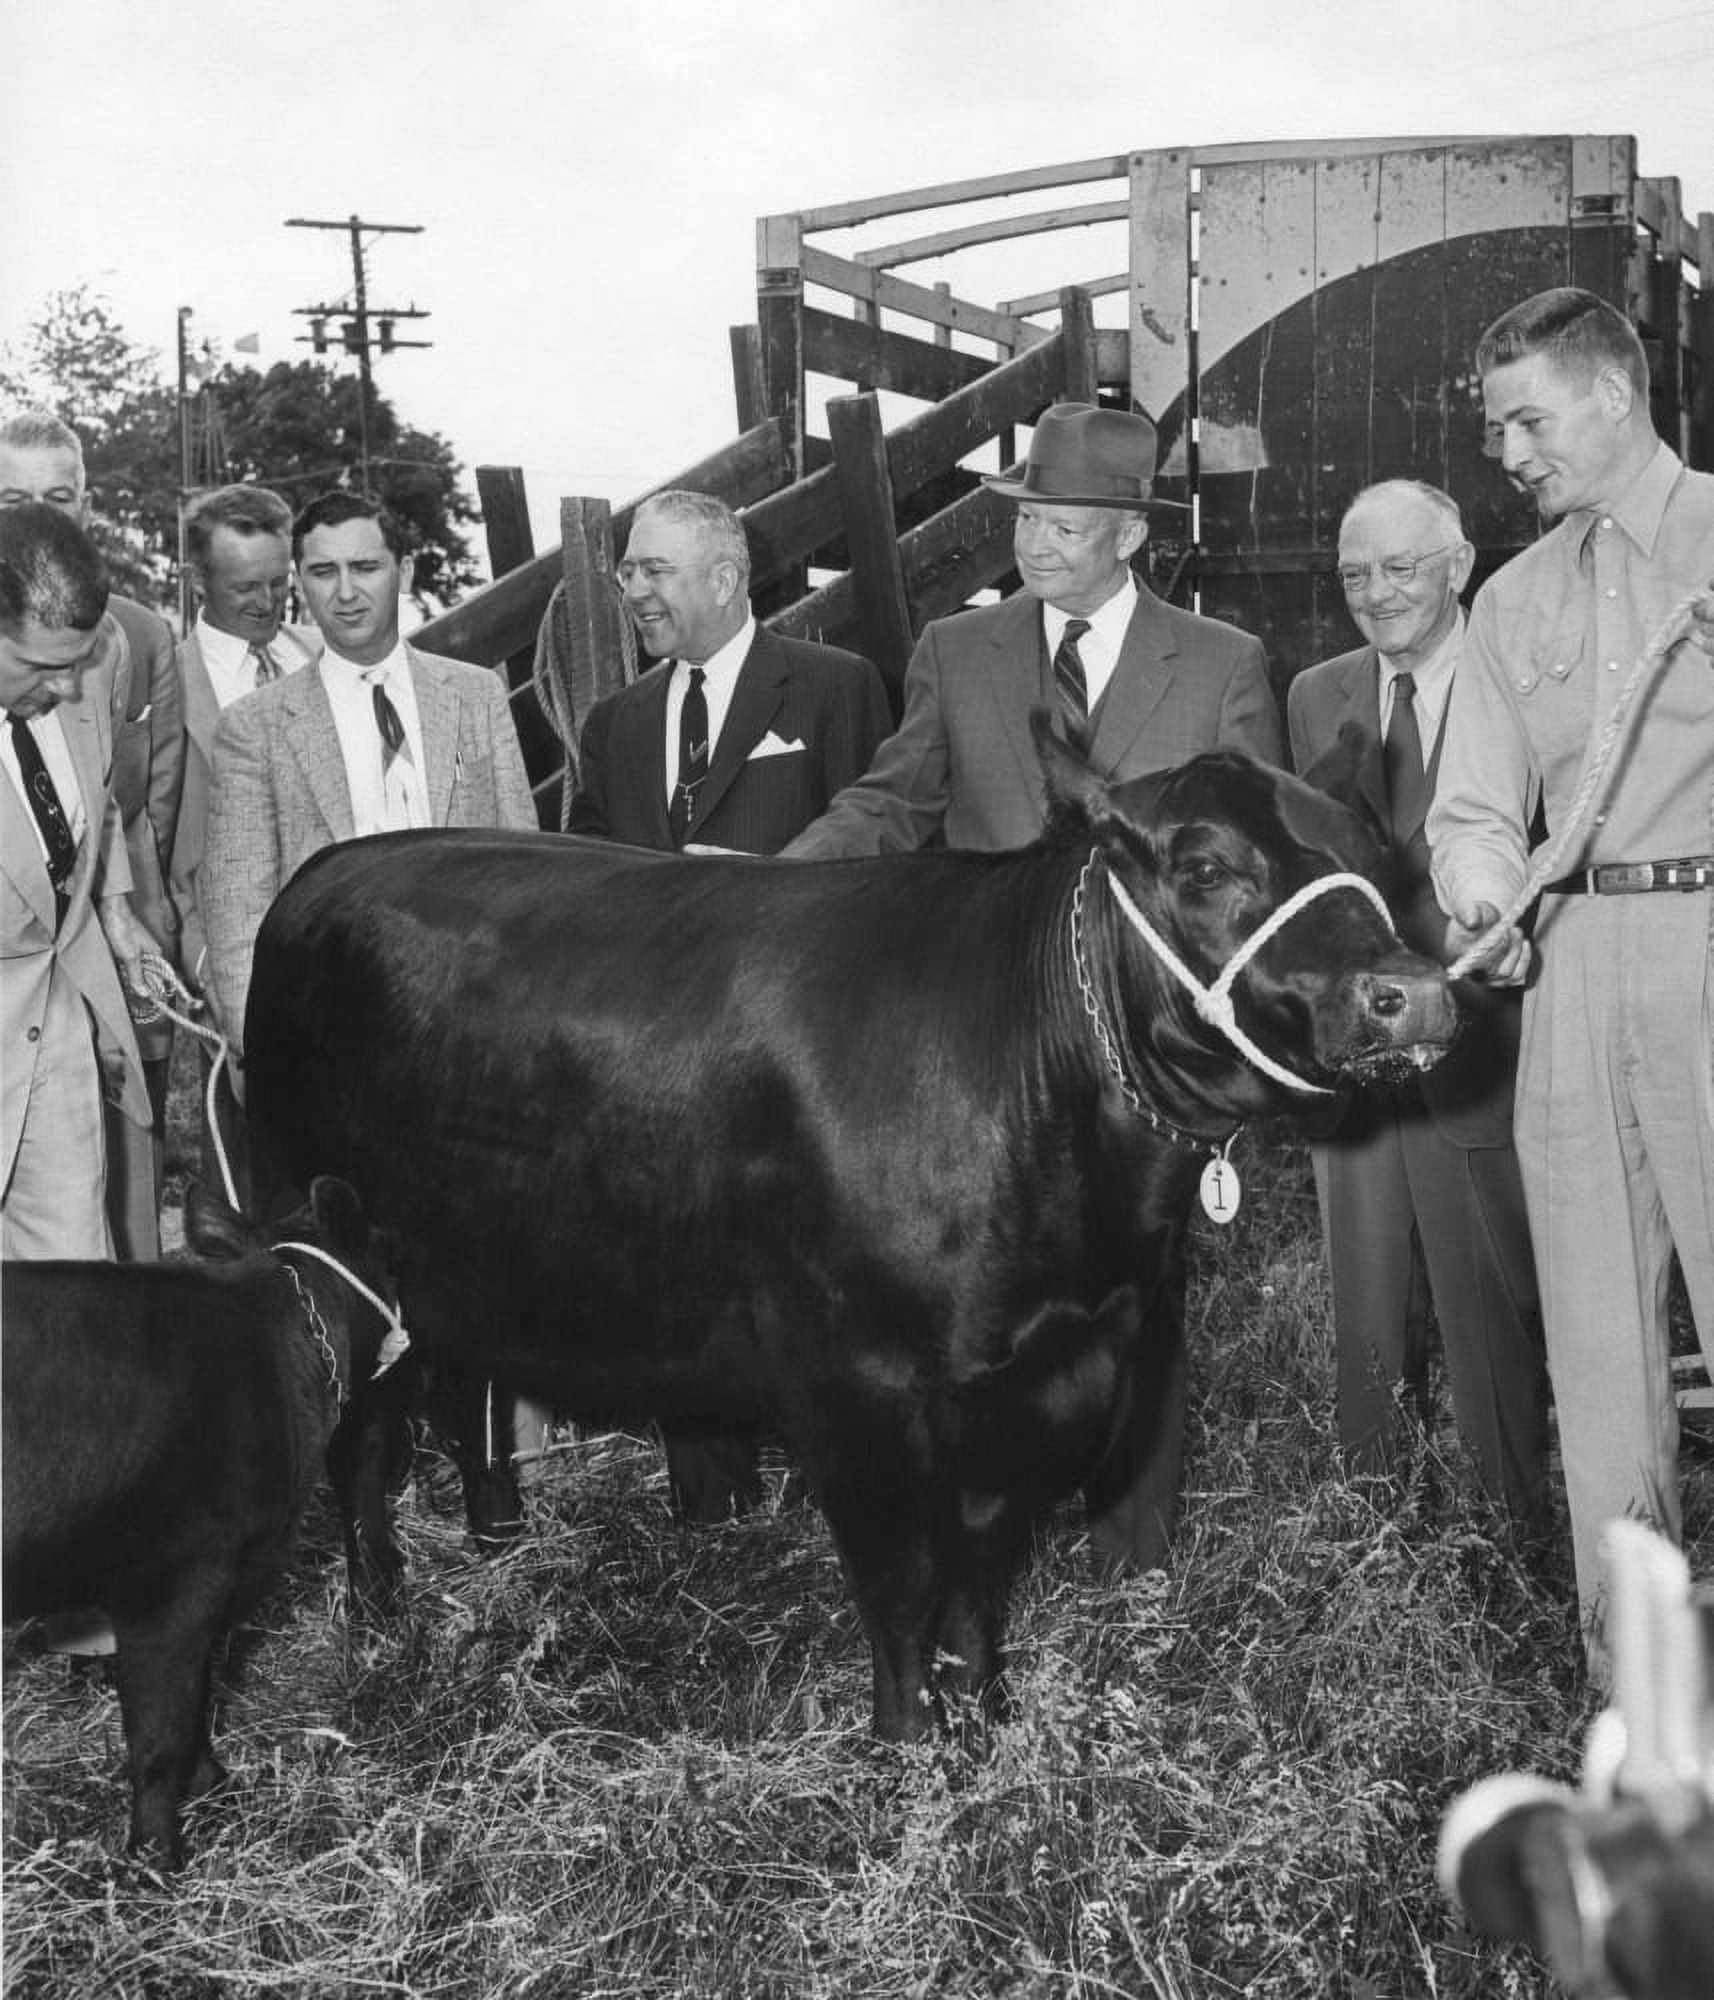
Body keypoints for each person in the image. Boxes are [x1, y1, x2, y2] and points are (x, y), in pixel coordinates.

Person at [786, 400, 1285, 1573]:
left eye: (1063, 524)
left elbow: (1256, 865)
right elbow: (893, 800)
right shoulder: (959, 651)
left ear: (1129, 536)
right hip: (985, 1047)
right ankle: (985, 1527)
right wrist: (779, 876)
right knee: (986, 1283)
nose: (1034, 543)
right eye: (1027, 520)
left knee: (1133, 1289)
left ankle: (1135, 1546)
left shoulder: (1222, 666)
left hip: (1143, 1055)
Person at [1429, 287, 1714, 1654]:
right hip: (1571, 966)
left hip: (1709, 954)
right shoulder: (1509, 595)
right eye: (1494, 431)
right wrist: (1484, 897)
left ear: (1610, 394)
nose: (1508, 453)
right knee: (1596, 1354)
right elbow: (1476, 810)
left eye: (1525, 419)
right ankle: (1632, 1683)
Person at [202, 487, 549, 1472]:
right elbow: (237, 901)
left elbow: (528, 870)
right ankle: (368, 1464)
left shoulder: (472, 694)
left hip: (469, 1031)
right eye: (321, 572)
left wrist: (528, 1026)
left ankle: (496, 1456)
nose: (344, 592)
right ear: (298, 585)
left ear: (404, 569)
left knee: (479, 1239)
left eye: (364, 566)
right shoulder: (259, 727)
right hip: (336, 1047)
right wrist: (253, 1045)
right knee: (357, 1250)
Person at [565, 487, 893, 1519]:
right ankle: (709, 1510)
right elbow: (584, 888)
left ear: (722, 575)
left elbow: (884, 862)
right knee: (679, 1277)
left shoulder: (836, 689)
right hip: (659, 1069)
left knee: (814, 1271)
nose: (633, 593)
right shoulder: (613, 723)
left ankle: (833, 1485)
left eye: (651, 571)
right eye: (625, 573)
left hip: (802, 1059)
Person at [1287, 479, 1548, 1535]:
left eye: (1400, 567)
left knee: (1489, 1297)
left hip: (1479, 1048)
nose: (1376, 592)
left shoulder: (1520, 674)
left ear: (1459, 563)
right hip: (1353, 1061)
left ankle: (1512, 1523)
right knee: (1364, 1302)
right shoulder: (1314, 692)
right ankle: (1370, 1529)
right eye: (1354, 573)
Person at [0, 410, 183, 1260]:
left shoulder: (94, 657)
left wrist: (115, 913)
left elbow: (95, 803)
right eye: (41, 667)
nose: (68, 685)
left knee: (73, 1297)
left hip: (56, 1031)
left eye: (76, 663)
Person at [171, 483, 319, 1201]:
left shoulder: (324, 657)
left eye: (277, 584)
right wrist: (201, 960)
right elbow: (153, 837)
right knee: (247, 1176)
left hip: (331, 943)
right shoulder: (166, 682)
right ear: (198, 579)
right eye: (243, 589)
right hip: (229, 959)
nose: (264, 604)